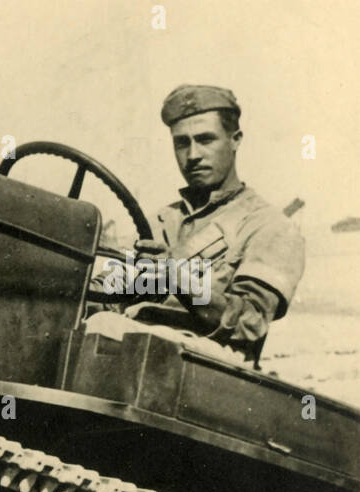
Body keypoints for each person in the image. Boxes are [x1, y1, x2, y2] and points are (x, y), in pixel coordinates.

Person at [107, 85, 305, 361]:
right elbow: (108, 291)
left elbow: (249, 322)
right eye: (182, 143)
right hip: (131, 352)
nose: (193, 155)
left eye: (205, 140)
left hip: (202, 373)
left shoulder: (269, 227)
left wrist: (177, 278)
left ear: (235, 139)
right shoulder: (161, 221)